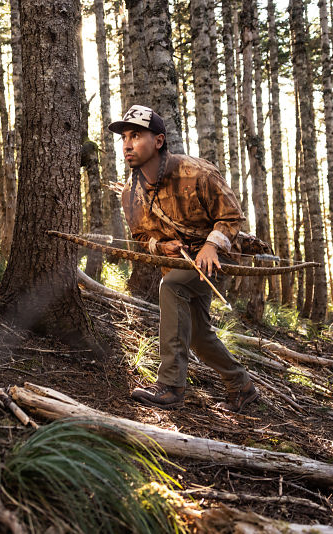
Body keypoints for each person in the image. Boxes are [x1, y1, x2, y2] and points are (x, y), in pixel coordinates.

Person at [108, 104, 259, 412]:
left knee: (171, 287)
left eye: (135, 136)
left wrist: (211, 246)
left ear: (159, 141)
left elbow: (231, 216)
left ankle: (171, 387)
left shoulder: (196, 171)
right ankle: (241, 385)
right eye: (124, 138)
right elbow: (140, 237)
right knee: (199, 336)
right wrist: (159, 247)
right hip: (180, 264)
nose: (127, 144)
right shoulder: (130, 193)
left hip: (217, 257)